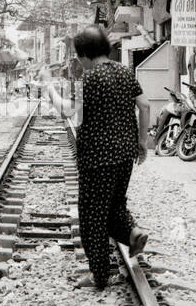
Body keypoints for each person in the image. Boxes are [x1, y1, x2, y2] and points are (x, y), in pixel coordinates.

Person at [41, 25, 148, 289]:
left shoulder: (89, 80)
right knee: (115, 206)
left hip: (97, 158)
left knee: (92, 217)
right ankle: (133, 233)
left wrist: (49, 89)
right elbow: (145, 106)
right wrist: (142, 142)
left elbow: (67, 111)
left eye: (78, 56)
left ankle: (100, 276)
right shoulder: (125, 73)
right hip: (125, 154)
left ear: (84, 54)